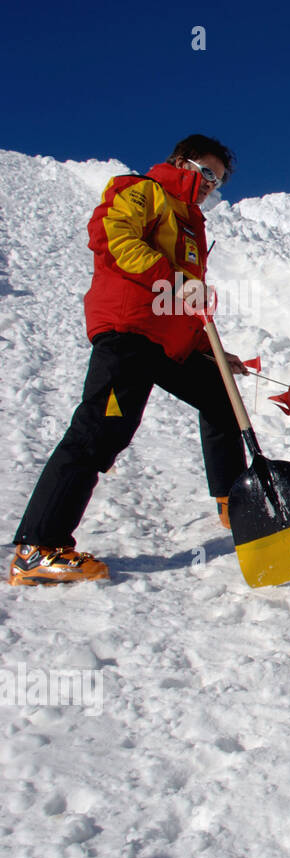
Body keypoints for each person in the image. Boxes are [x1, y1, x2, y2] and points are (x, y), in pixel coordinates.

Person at [9, 134, 249, 586]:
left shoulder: (191, 226)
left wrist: (209, 349)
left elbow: (181, 302)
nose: (211, 186)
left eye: (218, 182)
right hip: (128, 330)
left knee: (220, 394)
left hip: (165, 342)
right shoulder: (142, 191)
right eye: (209, 173)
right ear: (183, 162)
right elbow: (114, 239)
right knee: (100, 430)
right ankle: (36, 548)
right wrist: (177, 278)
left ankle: (235, 502)